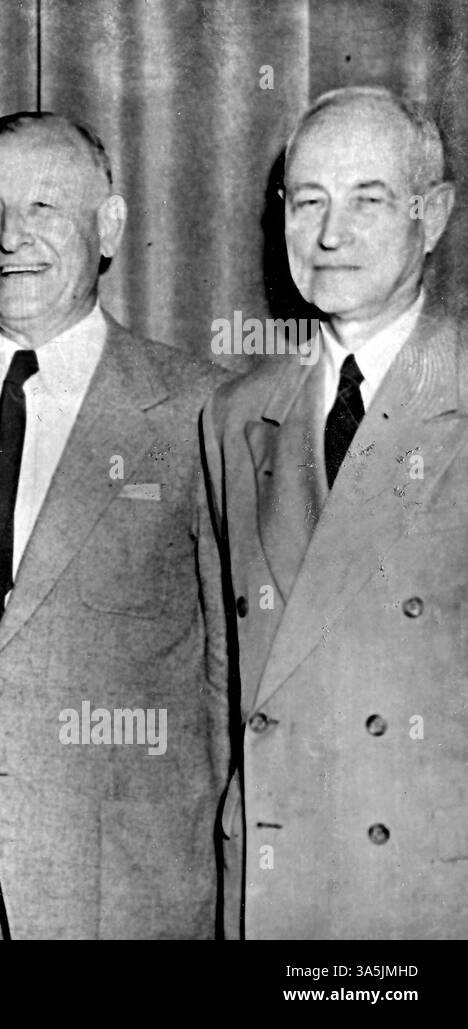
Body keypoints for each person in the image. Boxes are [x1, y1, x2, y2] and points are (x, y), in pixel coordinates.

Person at [0, 111, 231, 938]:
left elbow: (227, 678)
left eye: (43, 209)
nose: (9, 238)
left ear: (108, 228)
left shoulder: (199, 411)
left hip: (124, 892)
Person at [201, 86, 465, 939]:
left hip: (426, 889)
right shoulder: (239, 412)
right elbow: (223, 672)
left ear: (433, 214)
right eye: (307, 200)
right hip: (280, 882)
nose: (329, 233)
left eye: (368, 200)